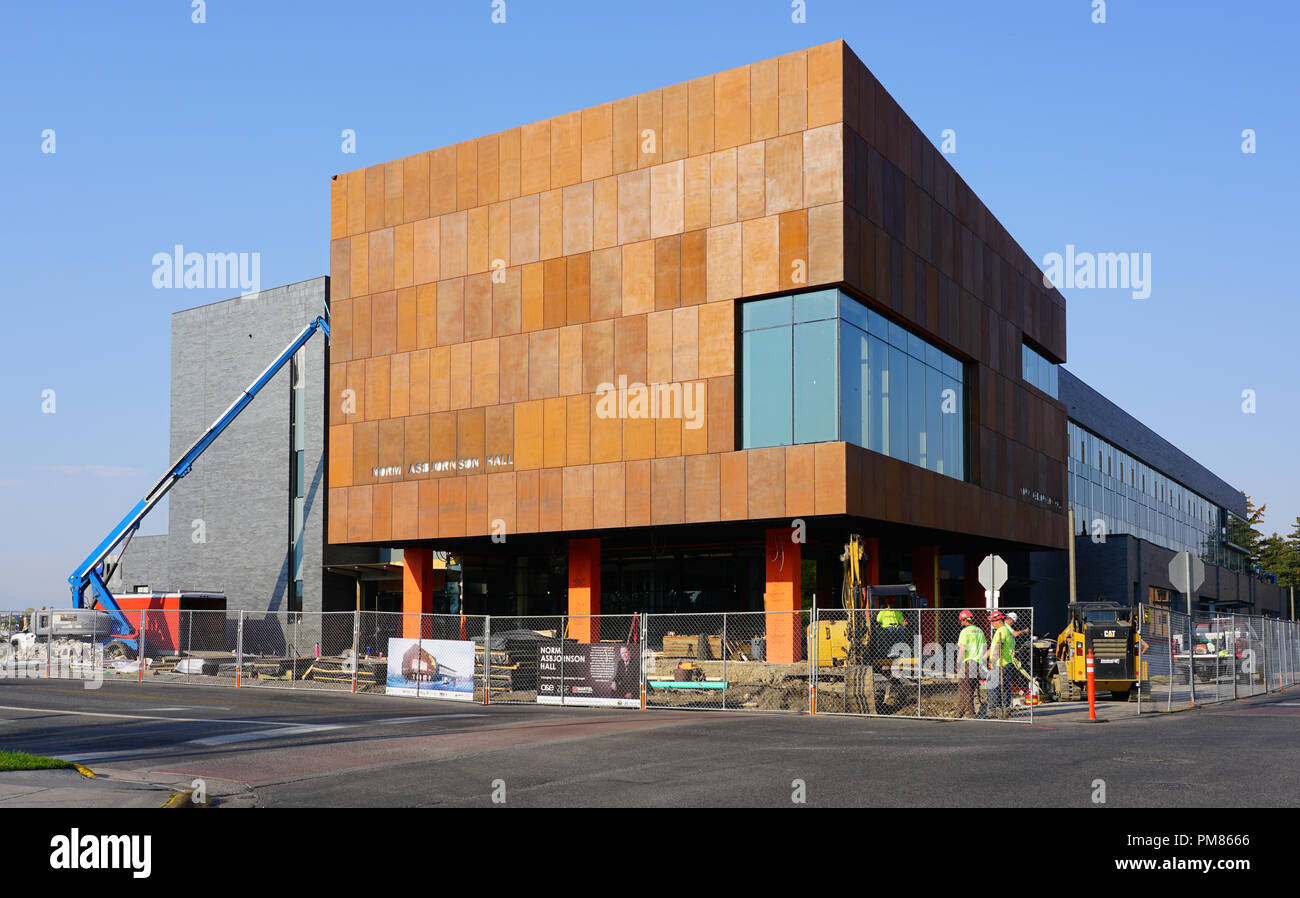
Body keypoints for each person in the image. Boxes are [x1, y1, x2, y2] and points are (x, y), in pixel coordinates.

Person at [954, 609, 986, 719]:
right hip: (978, 663)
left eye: (961, 621)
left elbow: (963, 648)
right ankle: (959, 712)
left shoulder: (965, 632)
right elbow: (984, 648)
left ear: (964, 620)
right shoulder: (980, 631)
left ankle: (970, 713)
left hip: (967, 663)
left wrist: (958, 662)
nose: (960, 623)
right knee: (970, 689)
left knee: (964, 689)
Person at [986, 610, 1015, 718]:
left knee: (993, 686)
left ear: (999, 621)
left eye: (993, 622)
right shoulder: (1006, 630)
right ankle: (1004, 709)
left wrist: (992, 661)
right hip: (1006, 663)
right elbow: (993, 648)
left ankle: (994, 710)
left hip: (1001, 664)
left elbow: (998, 647)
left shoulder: (1001, 630)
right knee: (1004, 686)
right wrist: (982, 658)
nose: (992, 624)